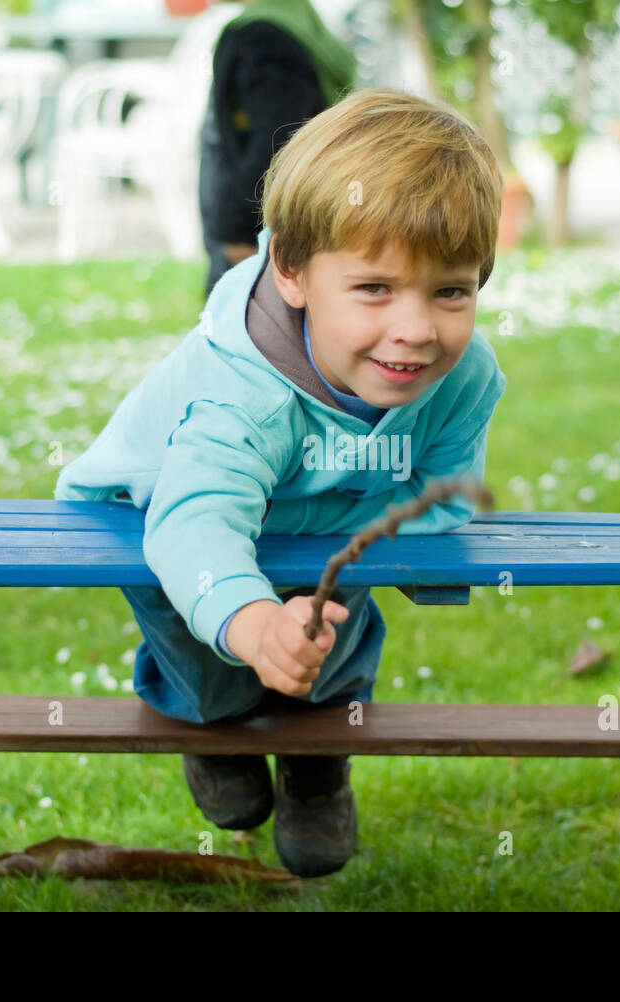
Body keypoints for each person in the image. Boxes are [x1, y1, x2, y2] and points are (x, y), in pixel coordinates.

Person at [54, 87, 507, 878]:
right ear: (292, 272)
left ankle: (316, 753)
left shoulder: (462, 379)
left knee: (335, 629)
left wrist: (370, 538)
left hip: (327, 522)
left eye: (450, 292)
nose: (416, 329)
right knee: (211, 659)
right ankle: (210, 727)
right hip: (165, 522)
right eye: (374, 288)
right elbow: (194, 523)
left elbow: (443, 491)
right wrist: (257, 624)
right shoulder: (245, 394)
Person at [199, 0, 357, 297]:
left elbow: (278, 142)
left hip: (262, 240)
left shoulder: (263, 37)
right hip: (282, 232)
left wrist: (240, 231)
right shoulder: (297, 19)